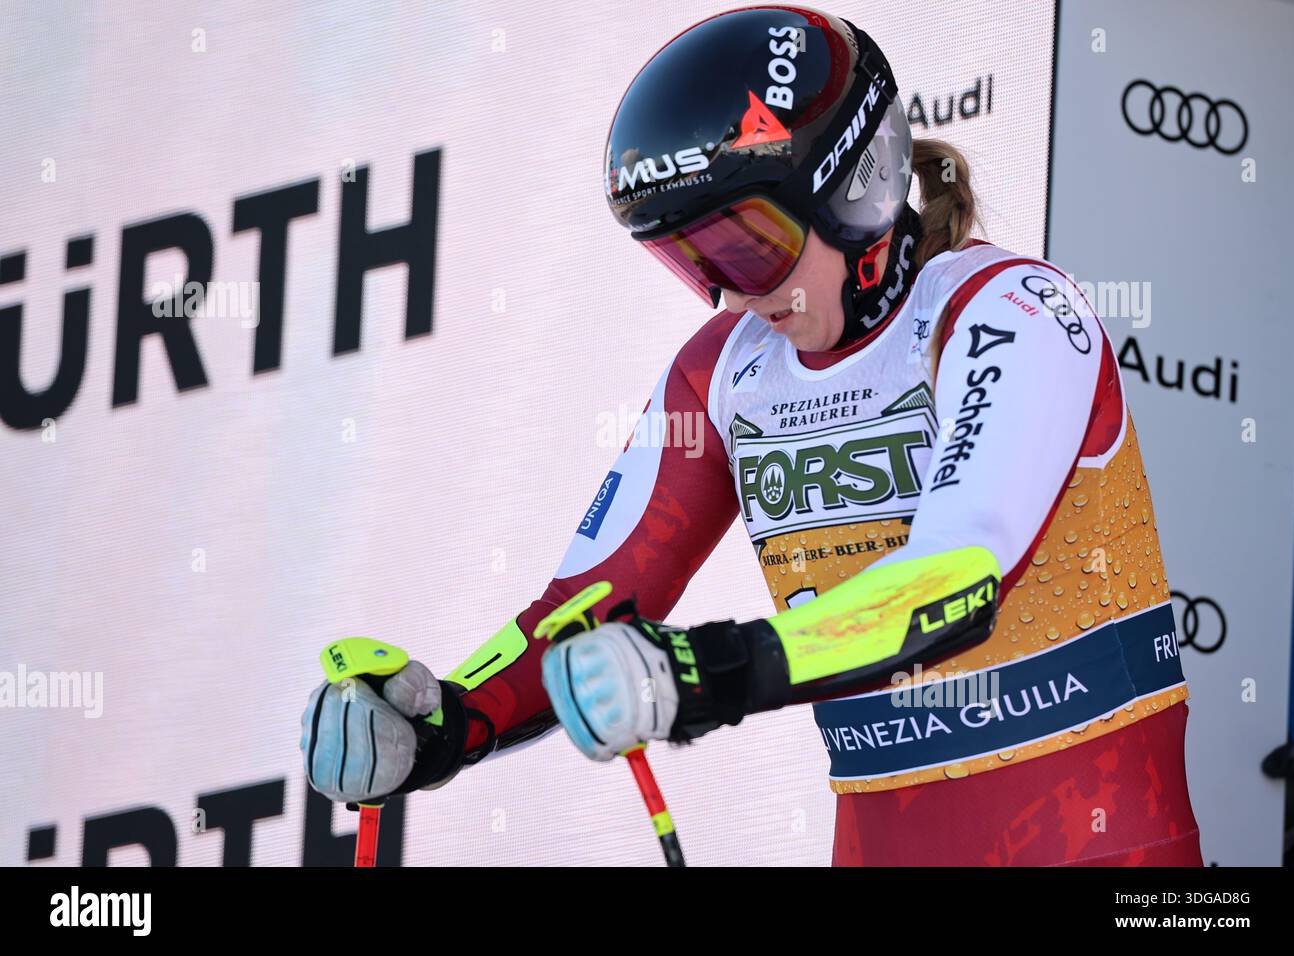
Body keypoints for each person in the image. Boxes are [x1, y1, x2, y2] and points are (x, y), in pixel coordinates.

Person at [300, 5, 1201, 866]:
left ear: (860, 188)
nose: (735, 294)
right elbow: (590, 603)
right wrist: (449, 724)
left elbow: (956, 579)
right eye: (694, 263)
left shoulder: (1008, 308)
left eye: (746, 247)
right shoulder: (726, 369)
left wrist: (711, 672)